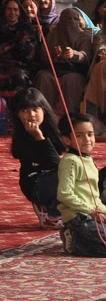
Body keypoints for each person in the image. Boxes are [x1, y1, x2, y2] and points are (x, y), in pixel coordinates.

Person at [56, 114, 106, 257]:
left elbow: (94, 196)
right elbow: (64, 193)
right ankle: (74, 242)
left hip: (93, 214)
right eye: (79, 135)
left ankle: (81, 237)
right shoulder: (70, 161)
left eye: (90, 134)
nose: (87, 139)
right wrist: (90, 211)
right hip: (79, 217)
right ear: (66, 139)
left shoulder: (89, 160)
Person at [10, 88, 64, 227]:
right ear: (17, 114)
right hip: (34, 181)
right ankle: (51, 214)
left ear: (44, 110)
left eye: (35, 109)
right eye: (25, 110)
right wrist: (38, 137)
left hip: (52, 176)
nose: (31, 115)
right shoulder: (21, 137)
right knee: (63, 172)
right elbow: (55, 163)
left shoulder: (53, 129)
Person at [0, 0, 36, 93]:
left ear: (19, 12)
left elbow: (27, 53)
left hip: (20, 67)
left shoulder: (27, 29)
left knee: (18, 76)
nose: (12, 13)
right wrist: (11, 46)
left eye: (15, 10)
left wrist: (8, 48)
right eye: (9, 9)